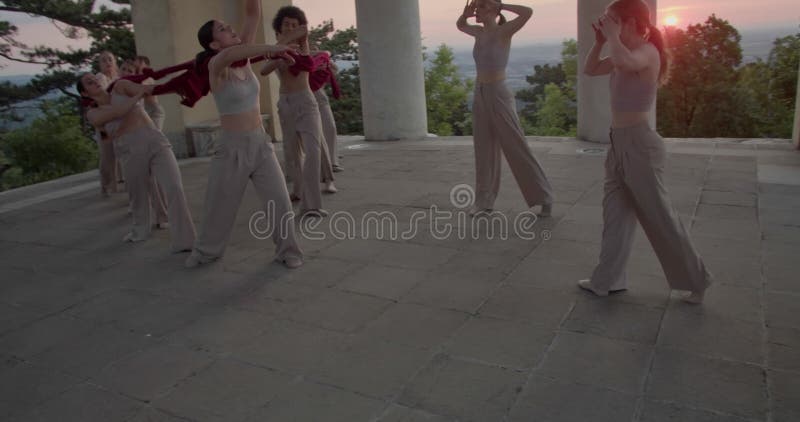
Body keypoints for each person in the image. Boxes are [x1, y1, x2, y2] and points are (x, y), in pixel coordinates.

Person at [579, 0, 711, 304]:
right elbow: (591, 68)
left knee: (660, 217)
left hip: (640, 145)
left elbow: (626, 63)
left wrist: (611, 38)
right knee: (615, 215)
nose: (607, 24)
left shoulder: (647, 52)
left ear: (632, 23)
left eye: (613, 20)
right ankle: (606, 280)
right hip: (618, 143)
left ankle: (697, 280)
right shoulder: (621, 51)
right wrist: (600, 42)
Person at [184, 0, 304, 269]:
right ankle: (205, 251)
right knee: (220, 205)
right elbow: (231, 55)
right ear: (214, 44)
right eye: (224, 29)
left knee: (280, 200)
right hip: (232, 147)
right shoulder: (218, 63)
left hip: (260, 143)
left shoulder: (243, 58)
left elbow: (252, 12)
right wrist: (274, 48)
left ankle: (288, 250)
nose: (231, 29)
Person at [457, 0, 554, 217]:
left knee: (516, 145)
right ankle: (484, 201)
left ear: (491, 8)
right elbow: (460, 25)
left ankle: (544, 197)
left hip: (498, 93)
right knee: (483, 148)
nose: (476, 12)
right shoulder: (478, 32)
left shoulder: (504, 31)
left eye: (479, 7)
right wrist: (465, 13)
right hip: (480, 92)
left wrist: (501, 5)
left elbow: (528, 12)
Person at [77, 74, 196, 251]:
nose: (95, 81)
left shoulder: (121, 86)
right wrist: (138, 97)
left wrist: (176, 87)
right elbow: (119, 112)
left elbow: (149, 89)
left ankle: (185, 241)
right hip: (129, 151)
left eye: (95, 78)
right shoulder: (93, 114)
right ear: (85, 94)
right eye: (89, 82)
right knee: (139, 198)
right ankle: (141, 229)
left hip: (155, 141)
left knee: (174, 187)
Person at [261, 6, 336, 216]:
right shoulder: (276, 50)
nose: (291, 28)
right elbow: (264, 69)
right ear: (279, 27)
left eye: (294, 24)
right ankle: (299, 190)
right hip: (286, 103)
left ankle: (312, 205)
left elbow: (307, 48)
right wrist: (279, 52)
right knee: (292, 152)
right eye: (286, 24)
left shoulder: (303, 46)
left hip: (306, 102)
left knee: (313, 151)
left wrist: (294, 35)